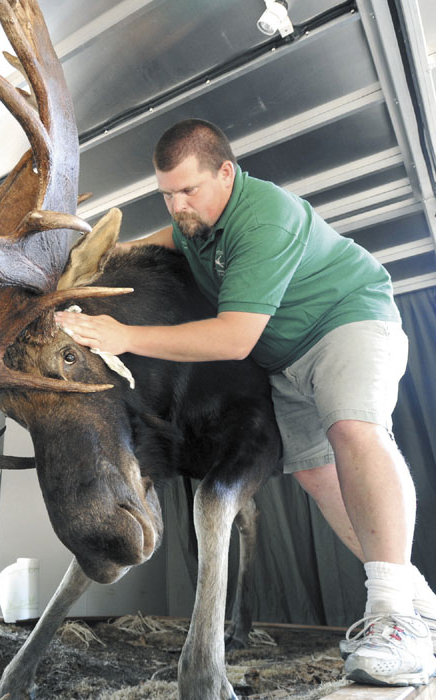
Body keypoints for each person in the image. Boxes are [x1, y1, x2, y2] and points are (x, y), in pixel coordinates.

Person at [54, 118, 436, 688]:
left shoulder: (264, 217)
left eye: (188, 190)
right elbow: (146, 245)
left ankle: (392, 617)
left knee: (354, 431)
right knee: (312, 471)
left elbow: (234, 339)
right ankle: (417, 599)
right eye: (166, 193)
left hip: (349, 320)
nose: (178, 205)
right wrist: (74, 276)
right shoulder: (192, 221)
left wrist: (123, 337)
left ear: (226, 172)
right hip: (287, 357)